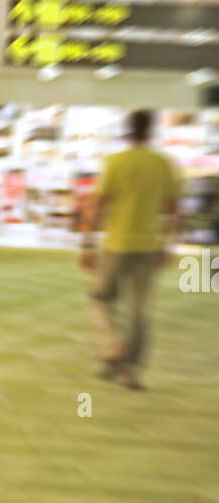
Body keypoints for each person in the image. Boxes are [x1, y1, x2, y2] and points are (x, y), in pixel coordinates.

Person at [80, 109, 179, 390]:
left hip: (116, 244)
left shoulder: (116, 162)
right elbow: (174, 210)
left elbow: (97, 204)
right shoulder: (162, 164)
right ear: (151, 131)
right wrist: (167, 245)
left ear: (127, 130)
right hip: (148, 246)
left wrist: (87, 244)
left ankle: (113, 352)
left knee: (100, 299)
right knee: (140, 310)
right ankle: (130, 367)